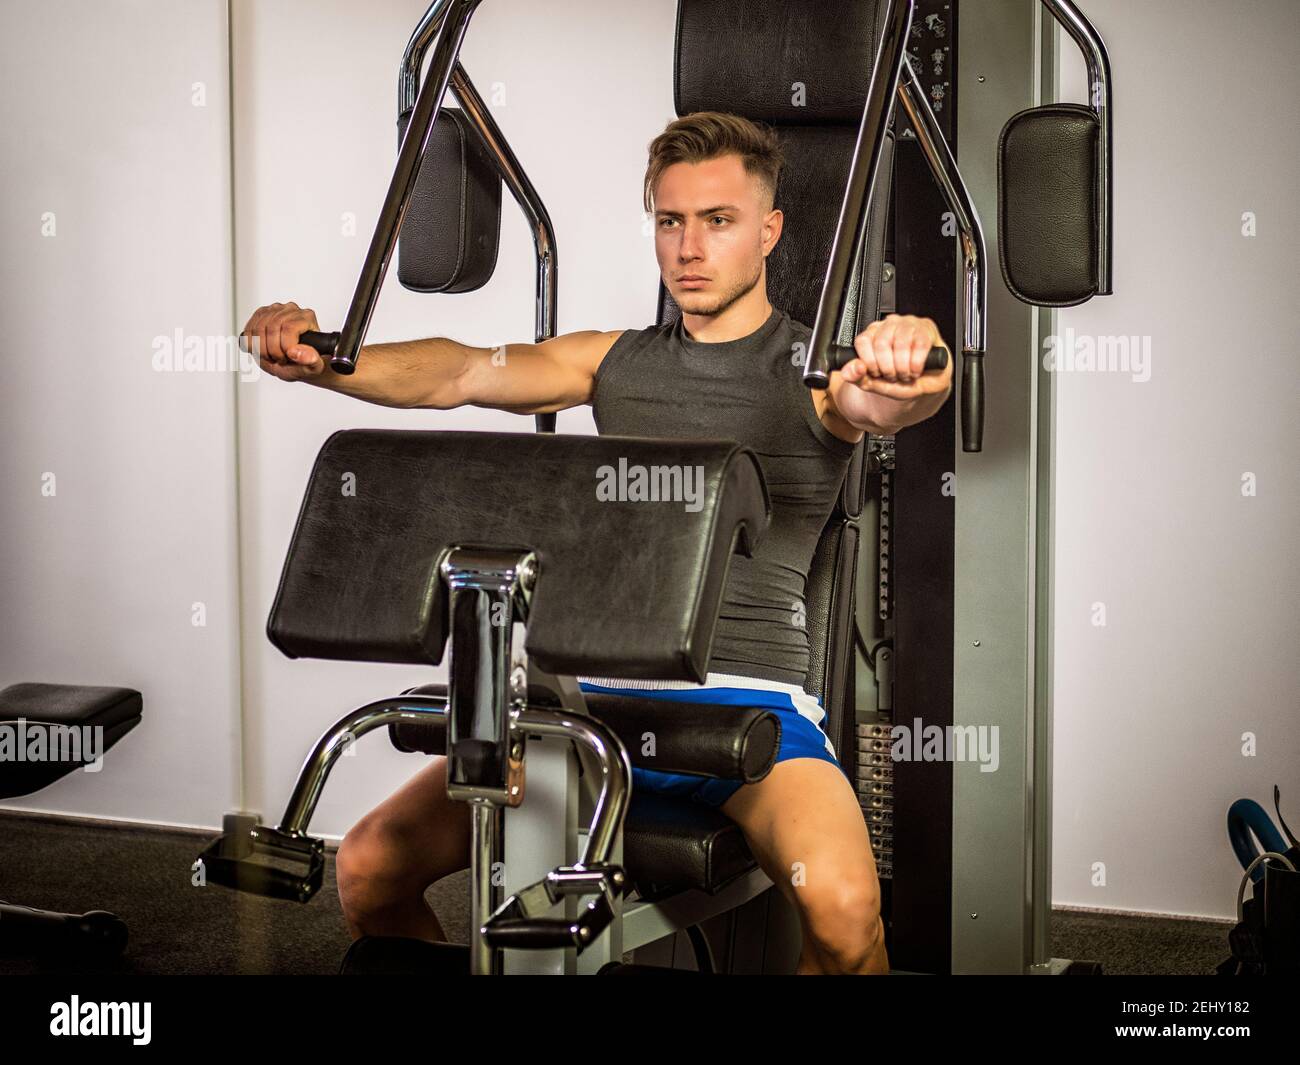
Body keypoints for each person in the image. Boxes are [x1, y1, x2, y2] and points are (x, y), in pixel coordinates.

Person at [242, 111, 952, 974]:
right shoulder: (612, 360)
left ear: (768, 231)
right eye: (670, 220)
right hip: (577, 710)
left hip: (744, 713)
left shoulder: (813, 375)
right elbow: (465, 369)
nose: (689, 246)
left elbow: (890, 400)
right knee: (366, 867)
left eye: (718, 221)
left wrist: (915, 357)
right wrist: (333, 360)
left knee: (844, 916)